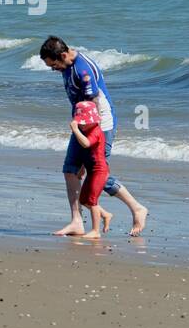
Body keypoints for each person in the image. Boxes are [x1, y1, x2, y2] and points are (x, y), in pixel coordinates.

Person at [38, 36, 148, 237]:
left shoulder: (83, 71)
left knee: (97, 173)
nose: (54, 70)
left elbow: (93, 106)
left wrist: (87, 141)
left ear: (64, 55)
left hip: (99, 125)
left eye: (54, 65)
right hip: (82, 124)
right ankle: (77, 222)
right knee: (70, 170)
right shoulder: (67, 65)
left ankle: (137, 208)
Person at [69, 100, 112, 239]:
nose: (81, 125)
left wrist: (75, 130)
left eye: (84, 123)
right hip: (91, 170)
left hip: (100, 171)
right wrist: (82, 168)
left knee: (92, 200)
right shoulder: (87, 130)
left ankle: (95, 231)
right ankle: (105, 214)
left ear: (93, 121)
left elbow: (86, 144)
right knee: (83, 200)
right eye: (80, 123)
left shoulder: (95, 131)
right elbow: (88, 153)